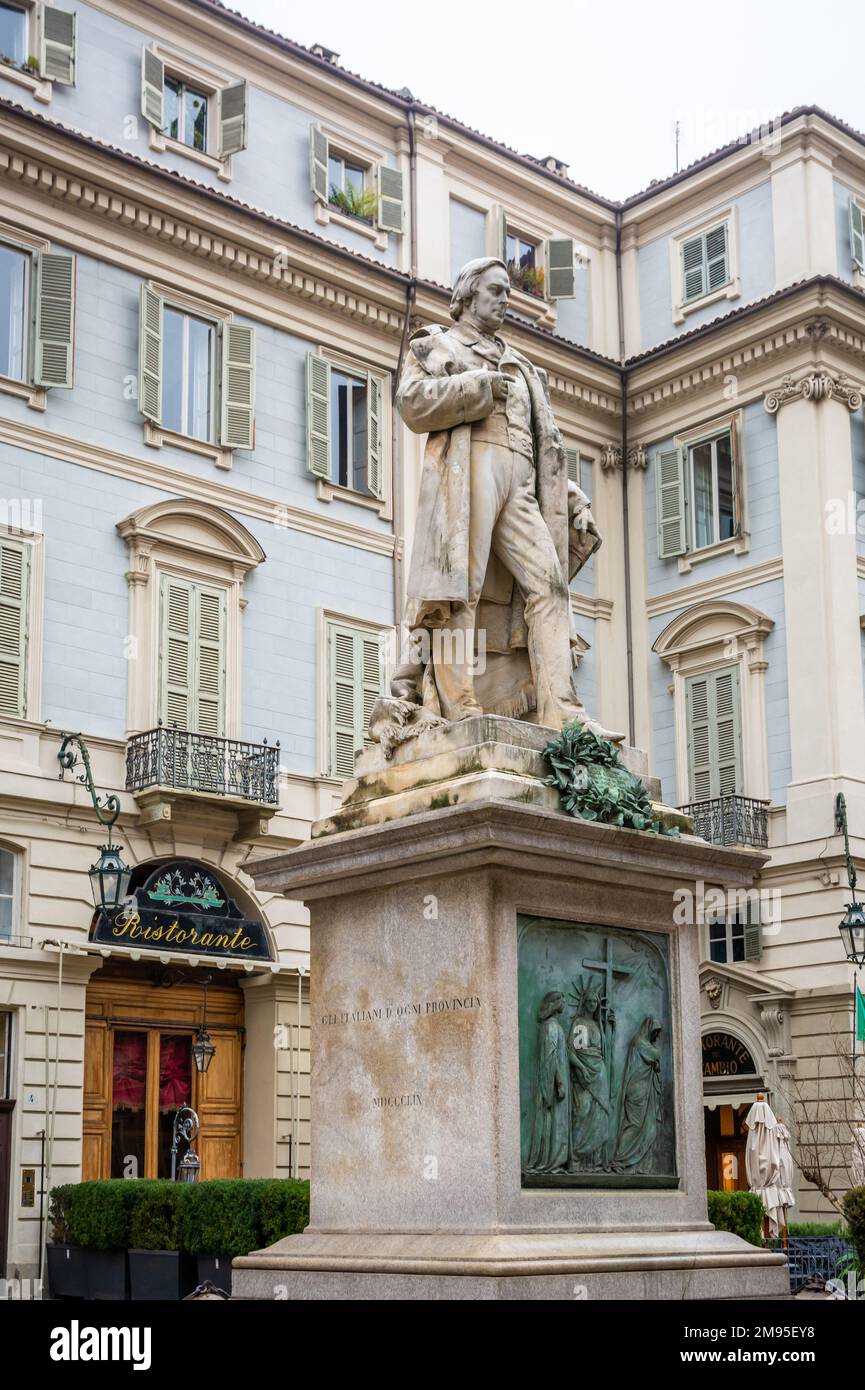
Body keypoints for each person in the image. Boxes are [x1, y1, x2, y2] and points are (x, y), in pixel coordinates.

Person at [387, 256, 623, 740]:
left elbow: (542, 444)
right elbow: (411, 403)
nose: (505, 300)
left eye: (508, 293)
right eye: (495, 291)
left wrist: (571, 497)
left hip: (521, 477)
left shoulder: (523, 365)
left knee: (550, 585)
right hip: (472, 464)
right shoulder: (439, 344)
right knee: (462, 588)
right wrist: (476, 387)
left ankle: (564, 711)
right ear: (469, 294)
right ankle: (459, 703)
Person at [526, 991, 570, 1172]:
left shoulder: (550, 1026)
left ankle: (549, 1160)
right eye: (561, 999)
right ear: (554, 1003)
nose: (564, 1003)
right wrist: (559, 1083)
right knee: (552, 1120)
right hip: (552, 1083)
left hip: (550, 1080)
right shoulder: (552, 1027)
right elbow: (551, 1059)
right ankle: (550, 1161)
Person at [613, 1016, 664, 1172]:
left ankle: (637, 1163)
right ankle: (619, 1159)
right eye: (654, 1032)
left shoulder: (644, 1044)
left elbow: (655, 1063)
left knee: (649, 1128)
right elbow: (655, 1054)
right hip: (636, 1090)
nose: (656, 1036)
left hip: (645, 1090)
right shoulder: (639, 1042)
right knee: (634, 1126)